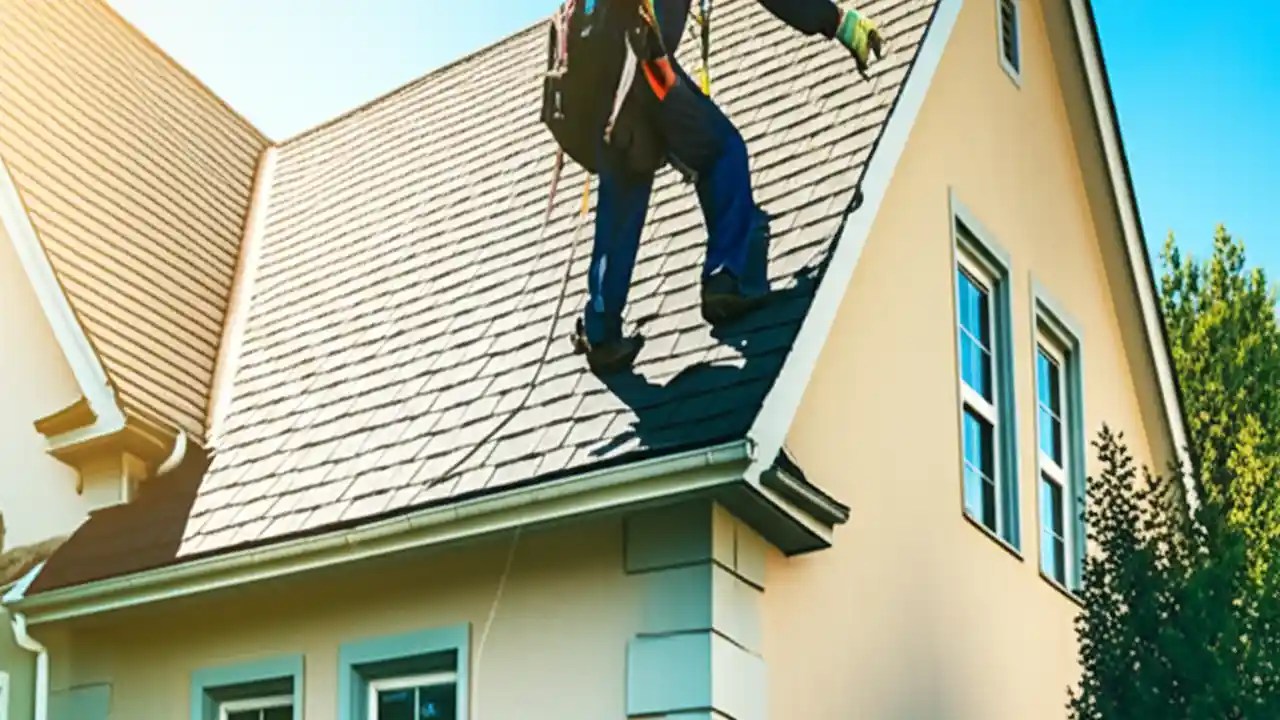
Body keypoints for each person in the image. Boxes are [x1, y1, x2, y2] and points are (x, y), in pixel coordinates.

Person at [577, 0, 883, 374]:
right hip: (645, 60)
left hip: (601, 86)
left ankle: (602, 334)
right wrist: (837, 21)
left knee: (624, 191)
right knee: (722, 151)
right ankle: (727, 278)